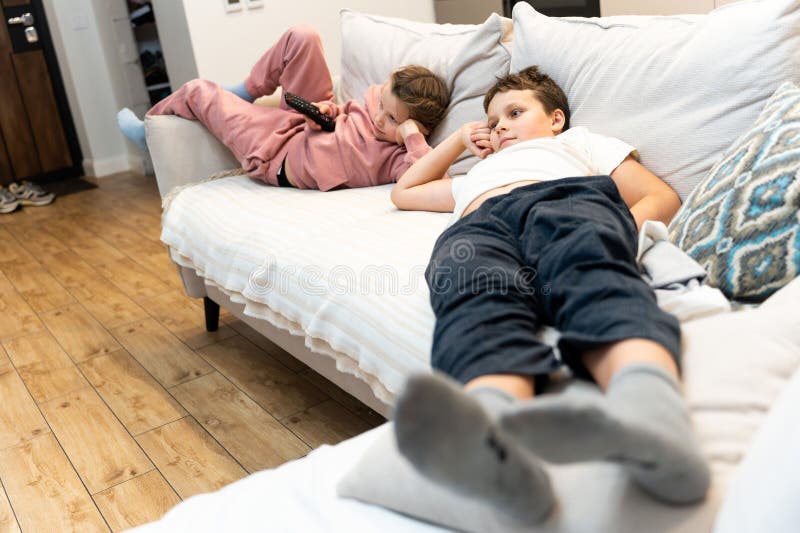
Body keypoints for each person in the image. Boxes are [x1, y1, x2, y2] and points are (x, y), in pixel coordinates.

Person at [389, 66, 710, 524]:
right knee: (472, 299)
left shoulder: (577, 143)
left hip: (563, 201)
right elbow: (404, 192)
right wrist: (459, 140)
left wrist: (614, 235)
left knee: (593, 279)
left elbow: (660, 196)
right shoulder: (479, 172)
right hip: (479, 226)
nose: (500, 127)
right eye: (492, 122)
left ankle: (653, 415)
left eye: (514, 113)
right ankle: (496, 446)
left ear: (556, 119)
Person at [117, 25, 450, 191]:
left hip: (276, 151)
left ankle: (148, 132)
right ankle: (247, 91)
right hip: (308, 124)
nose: (378, 118)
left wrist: (411, 138)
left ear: (417, 128)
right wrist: (328, 112)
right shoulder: (382, 103)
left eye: (391, 118)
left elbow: (433, 179)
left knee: (198, 90)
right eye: (382, 105)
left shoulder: (398, 159)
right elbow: (349, 114)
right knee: (302, 37)